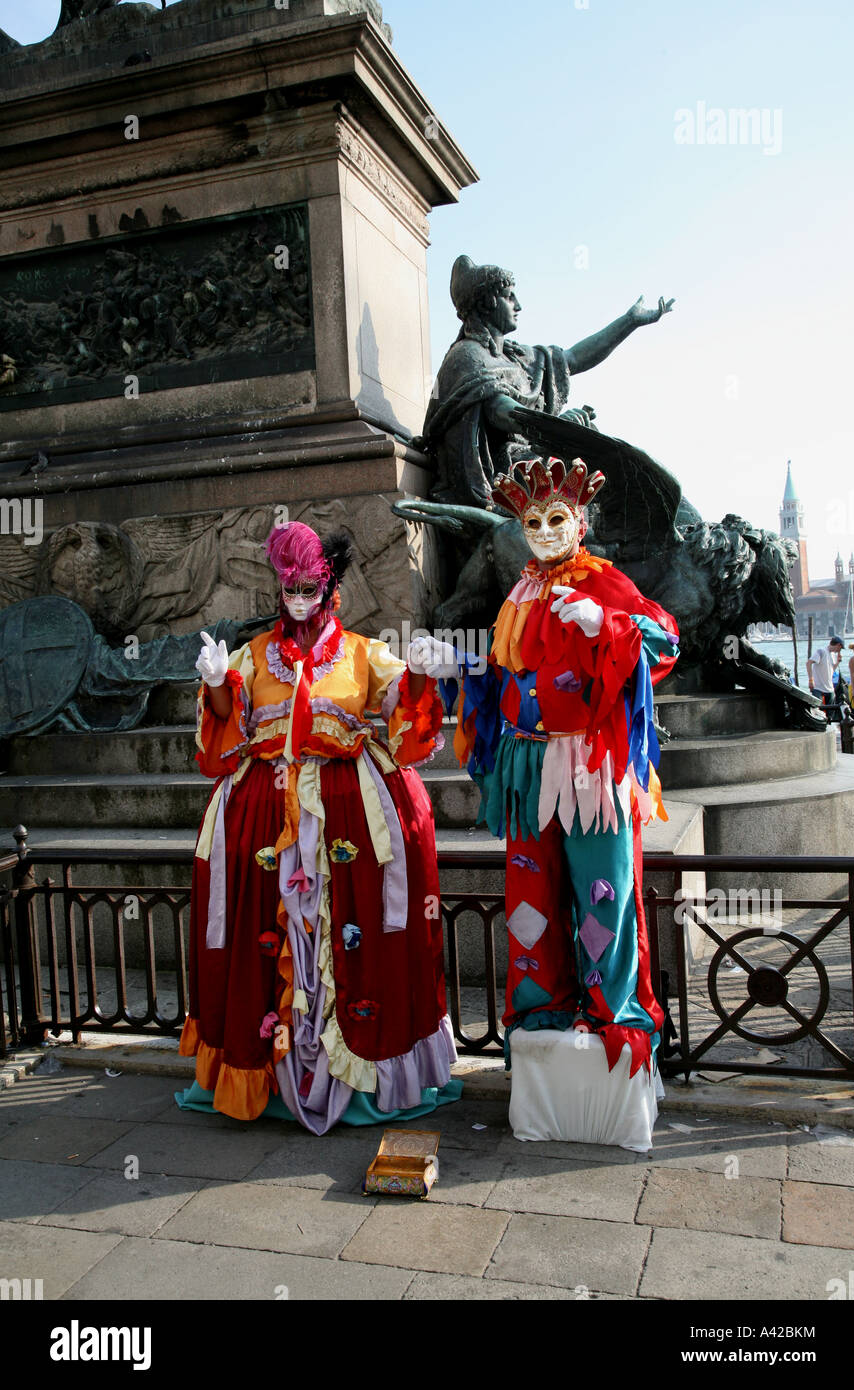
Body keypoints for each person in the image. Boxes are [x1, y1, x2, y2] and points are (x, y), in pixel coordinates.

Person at [176, 522, 459, 1133]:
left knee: (350, 939)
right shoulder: (251, 655)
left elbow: (401, 717)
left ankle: (354, 1071)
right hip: (264, 826)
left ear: (329, 587)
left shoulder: (364, 652)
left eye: (309, 587)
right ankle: (269, 1075)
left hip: (346, 825)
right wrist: (214, 683)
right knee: (267, 940)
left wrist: (421, 677)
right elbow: (227, 726)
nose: (299, 599)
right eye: (289, 589)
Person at [410, 456, 679, 1078]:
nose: (546, 529)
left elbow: (666, 640)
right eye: (533, 519)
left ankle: (612, 1016)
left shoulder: (606, 582)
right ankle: (541, 1011)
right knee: (530, 895)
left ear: (581, 519)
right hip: (527, 767)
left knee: (601, 896)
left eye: (558, 516)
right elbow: (508, 674)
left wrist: (608, 624)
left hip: (589, 767)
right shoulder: (520, 593)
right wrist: (458, 664)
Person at [420, 254, 673, 508]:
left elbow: (573, 358)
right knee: (579, 470)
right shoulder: (467, 355)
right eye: (509, 297)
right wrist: (558, 428)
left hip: (530, 459)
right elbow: (503, 412)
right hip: (505, 470)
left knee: (611, 463)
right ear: (488, 303)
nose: (518, 305)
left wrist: (630, 321)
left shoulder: (516, 355)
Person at [807, 635, 844, 711]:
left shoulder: (833, 655)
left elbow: (831, 670)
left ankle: (829, 721)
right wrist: (811, 679)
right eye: (840, 648)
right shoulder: (821, 651)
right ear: (838, 645)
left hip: (829, 687)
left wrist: (837, 662)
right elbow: (809, 663)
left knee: (831, 711)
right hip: (818, 687)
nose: (839, 650)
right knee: (817, 710)